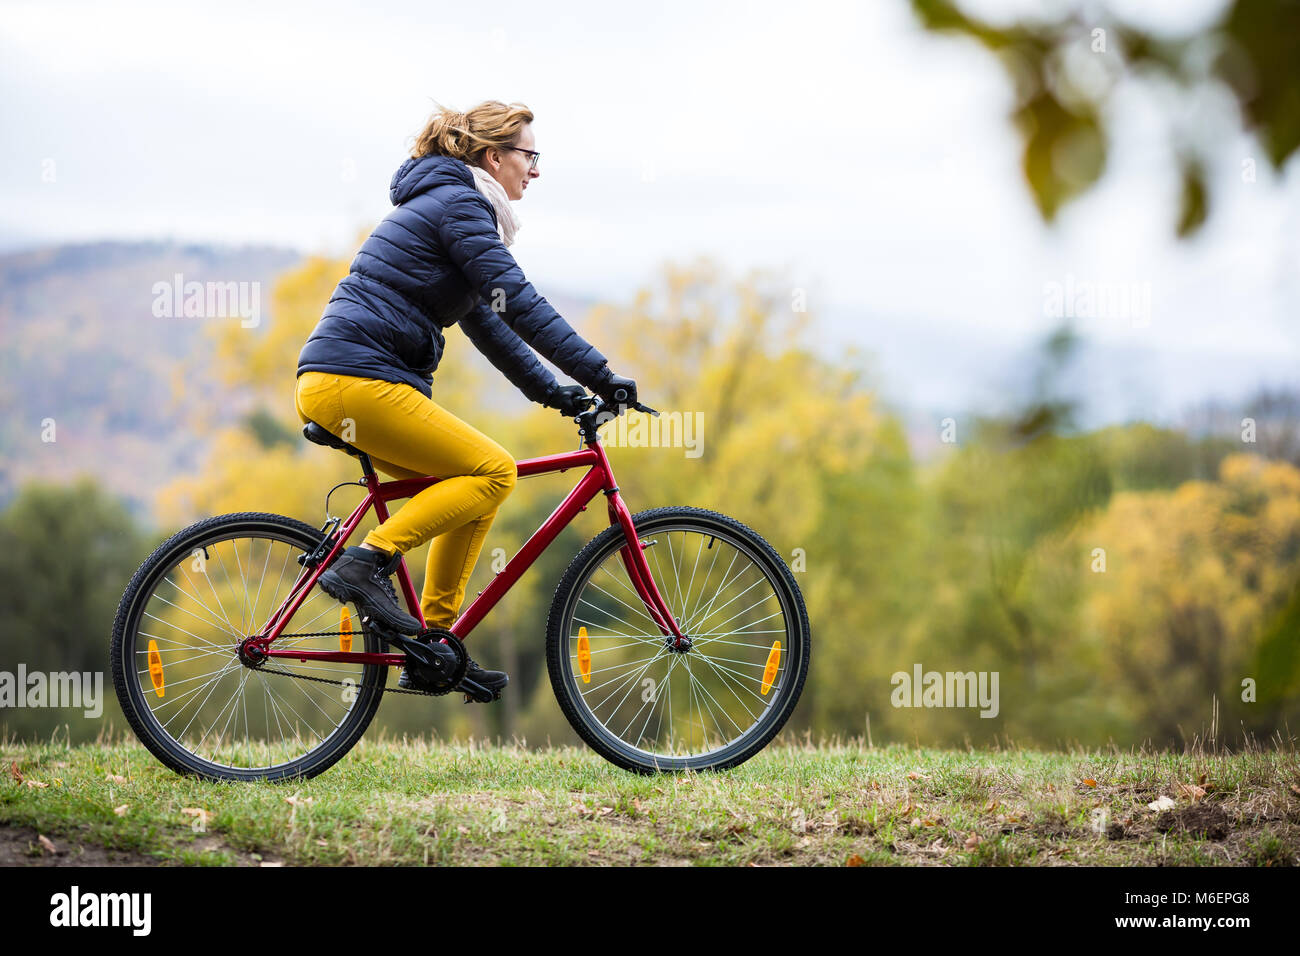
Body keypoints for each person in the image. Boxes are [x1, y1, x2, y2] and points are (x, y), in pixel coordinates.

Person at [294, 100, 637, 697]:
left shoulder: (454, 210)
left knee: (466, 491)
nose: (534, 170)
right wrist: (600, 372)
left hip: (347, 381)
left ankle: (433, 644)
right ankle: (366, 560)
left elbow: (495, 326)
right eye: (529, 156)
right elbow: (521, 301)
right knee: (494, 470)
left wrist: (559, 393)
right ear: (492, 156)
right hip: (355, 381)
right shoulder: (460, 207)